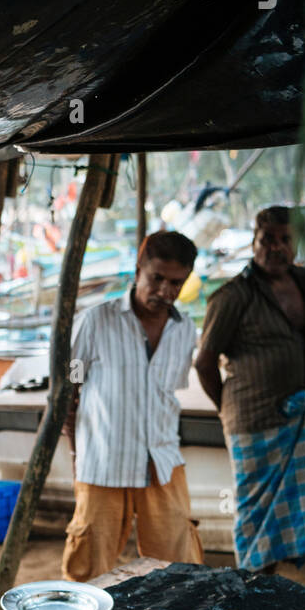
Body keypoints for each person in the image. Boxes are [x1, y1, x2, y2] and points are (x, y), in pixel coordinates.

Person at [195, 206, 305, 571]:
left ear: (296, 243)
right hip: (252, 423)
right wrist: (225, 409)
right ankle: (251, 594)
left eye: (285, 239)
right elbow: (204, 362)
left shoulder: (304, 282)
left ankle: (270, 595)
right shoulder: (232, 296)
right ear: (254, 241)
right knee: (256, 519)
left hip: (298, 417)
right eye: (267, 239)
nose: (276, 247)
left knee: (290, 519)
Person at [62, 231, 204, 580]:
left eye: (176, 283)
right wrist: (77, 456)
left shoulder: (185, 329)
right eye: (157, 278)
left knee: (178, 567)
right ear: (138, 267)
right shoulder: (97, 321)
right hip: (102, 462)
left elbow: (166, 394)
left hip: (164, 461)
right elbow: (68, 392)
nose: (165, 291)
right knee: (87, 569)